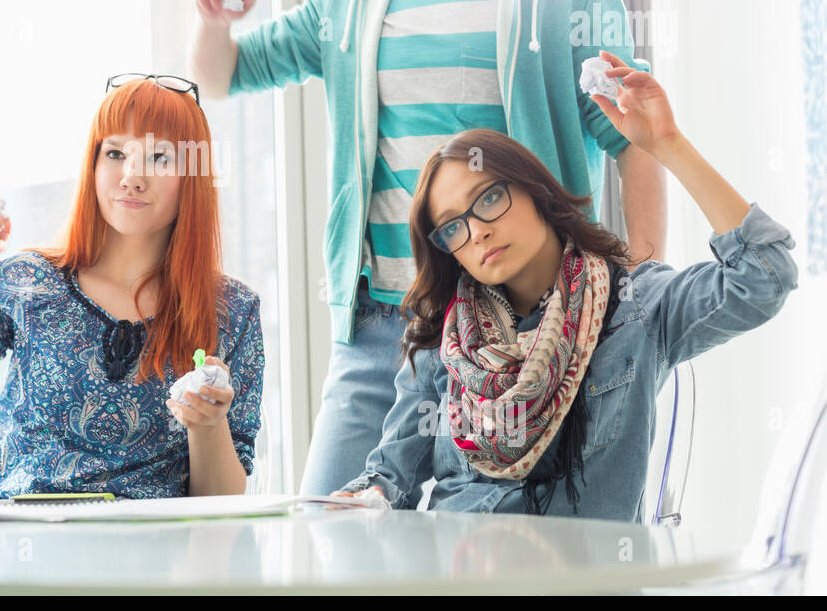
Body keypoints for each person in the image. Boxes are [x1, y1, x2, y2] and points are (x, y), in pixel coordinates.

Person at [188, 0, 667, 495]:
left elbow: (633, 138)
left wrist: (635, 292)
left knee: (516, 549)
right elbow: (222, 76)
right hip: (387, 324)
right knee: (333, 536)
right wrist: (215, 21)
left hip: (528, 323)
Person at [330, 51, 797, 520]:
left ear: (535, 190)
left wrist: (669, 144)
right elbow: (389, 479)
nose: (477, 232)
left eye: (489, 199)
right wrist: (364, 497)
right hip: (459, 572)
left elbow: (762, 276)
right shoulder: (442, 341)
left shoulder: (634, 308)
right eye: (453, 228)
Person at [0, 75, 264, 498]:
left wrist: (207, 426)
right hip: (16, 548)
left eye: (160, 157)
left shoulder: (232, 311)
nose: (131, 176)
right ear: (93, 166)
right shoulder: (28, 283)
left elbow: (220, 503)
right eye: (115, 153)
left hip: (149, 554)